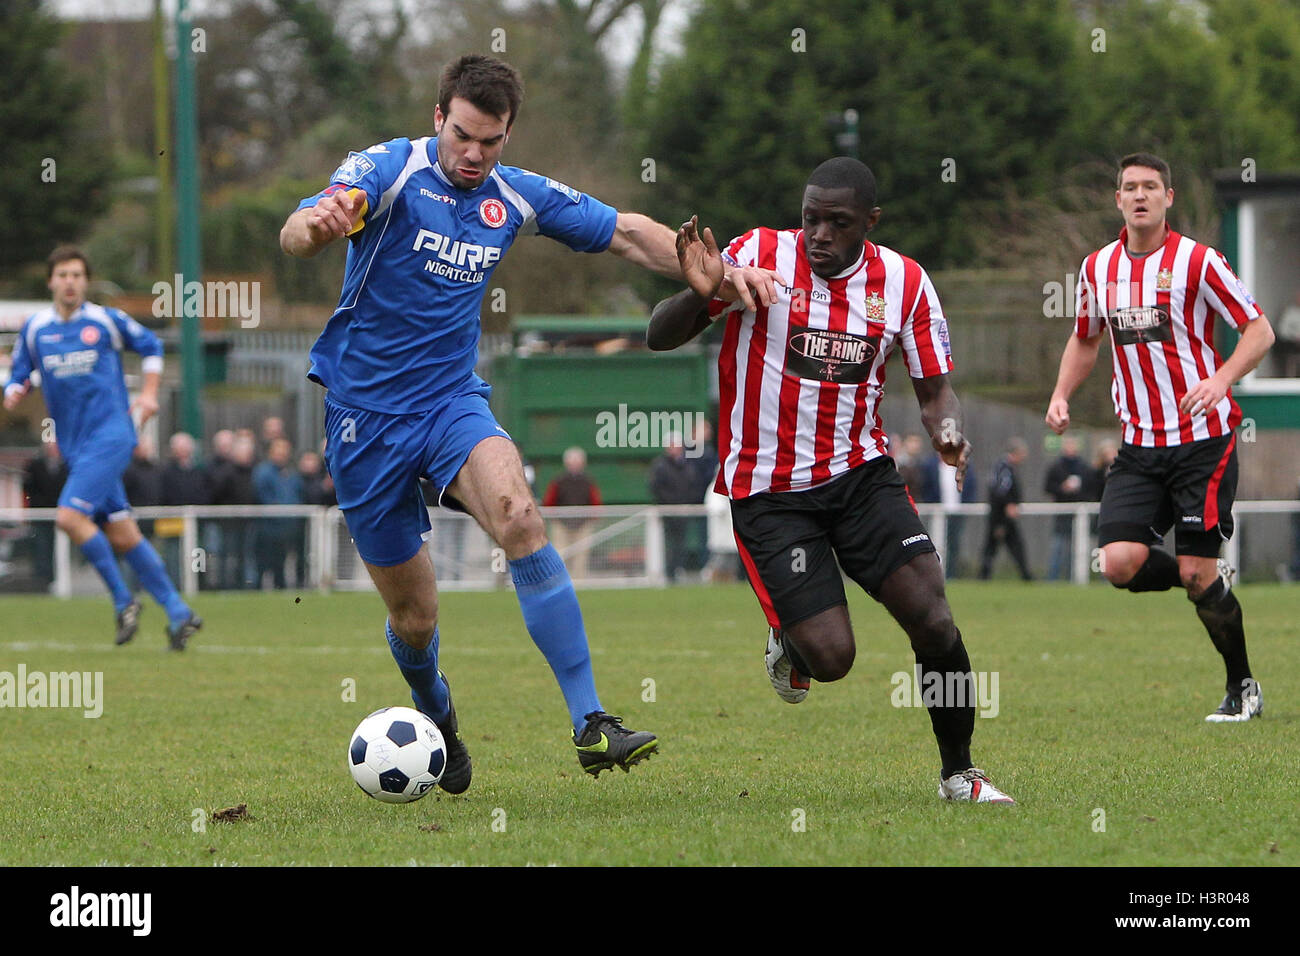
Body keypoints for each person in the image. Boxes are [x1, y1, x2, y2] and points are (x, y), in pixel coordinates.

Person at [278, 54, 751, 785]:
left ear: (508, 135)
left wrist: (717, 275)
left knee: (521, 517)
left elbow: (625, 232)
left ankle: (592, 722)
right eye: (462, 136)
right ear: (438, 118)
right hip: (363, 421)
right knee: (417, 618)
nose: (473, 155)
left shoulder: (513, 196)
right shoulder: (387, 170)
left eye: (490, 142)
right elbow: (297, 232)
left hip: (449, 402)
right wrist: (318, 224)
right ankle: (435, 710)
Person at [647, 157, 1015, 803]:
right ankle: (791, 638)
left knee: (932, 617)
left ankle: (960, 772)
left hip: (860, 476)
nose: (818, 233)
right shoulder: (758, 254)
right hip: (770, 493)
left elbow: (935, 393)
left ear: (869, 223)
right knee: (831, 659)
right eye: (810, 217)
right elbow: (659, 336)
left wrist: (948, 433)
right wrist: (704, 291)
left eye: (837, 223)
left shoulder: (904, 282)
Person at [1046, 151, 1276, 722]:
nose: (1141, 195)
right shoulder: (1097, 268)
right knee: (1118, 562)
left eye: (1151, 186)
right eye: (1130, 187)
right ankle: (1198, 575)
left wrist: (1222, 379)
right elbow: (1085, 339)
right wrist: (1061, 395)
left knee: (1199, 574)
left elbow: (1260, 329)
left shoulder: (1199, 262)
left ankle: (1242, 686)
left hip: (1203, 441)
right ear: (1118, 199)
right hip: (1140, 444)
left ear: (1168, 198)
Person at [2, 246, 201, 648]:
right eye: (63, 275)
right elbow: (18, 372)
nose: (70, 281)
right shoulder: (36, 328)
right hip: (75, 447)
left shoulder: (106, 320)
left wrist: (147, 394)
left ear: (85, 281)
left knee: (69, 518)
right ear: (51, 282)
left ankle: (124, 600)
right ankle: (180, 612)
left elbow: (151, 346)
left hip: (112, 435)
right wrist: (12, 389)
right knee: (123, 533)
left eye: (77, 274)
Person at [541, 447, 602, 582]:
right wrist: (554, 519)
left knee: (581, 556)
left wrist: (592, 518)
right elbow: (549, 502)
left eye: (578, 462)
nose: (575, 465)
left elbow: (595, 501)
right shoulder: (558, 481)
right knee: (560, 554)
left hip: (583, 524)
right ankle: (561, 582)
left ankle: (579, 582)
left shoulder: (588, 481)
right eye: (572, 462)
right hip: (561, 525)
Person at [979, 438, 1033, 581]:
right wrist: (1007, 509)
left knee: (1007, 547)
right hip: (1000, 516)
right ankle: (984, 576)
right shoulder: (1004, 469)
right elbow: (998, 493)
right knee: (997, 547)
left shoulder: (1003, 467)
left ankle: (1025, 575)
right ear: (1016, 453)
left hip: (1001, 516)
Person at [648, 434, 699, 584]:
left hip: (683, 511)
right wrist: (671, 503)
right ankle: (668, 572)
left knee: (681, 543)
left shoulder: (687, 465)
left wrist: (686, 502)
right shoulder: (660, 466)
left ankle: (678, 570)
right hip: (668, 511)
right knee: (669, 543)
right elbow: (656, 487)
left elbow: (693, 485)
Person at [252, 437, 301, 589]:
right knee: (264, 563)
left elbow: (298, 494)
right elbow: (264, 497)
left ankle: (281, 588)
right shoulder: (263, 472)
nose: (282, 454)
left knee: (281, 563)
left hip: (288, 528)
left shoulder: (291, 473)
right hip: (268, 528)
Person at [1043, 435, 1090, 580]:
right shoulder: (1056, 467)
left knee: (1075, 547)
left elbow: (1090, 487)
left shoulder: (1083, 467)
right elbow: (1048, 487)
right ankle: (1053, 577)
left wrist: (1079, 491)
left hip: (1079, 511)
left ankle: (1072, 577)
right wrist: (1062, 488)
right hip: (1061, 511)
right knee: (1058, 545)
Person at [22, 440, 68, 588]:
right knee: (41, 547)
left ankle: (57, 578)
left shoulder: (66, 466)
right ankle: (42, 581)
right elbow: (28, 488)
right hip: (41, 514)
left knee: (58, 548)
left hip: (61, 515)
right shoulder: (35, 465)